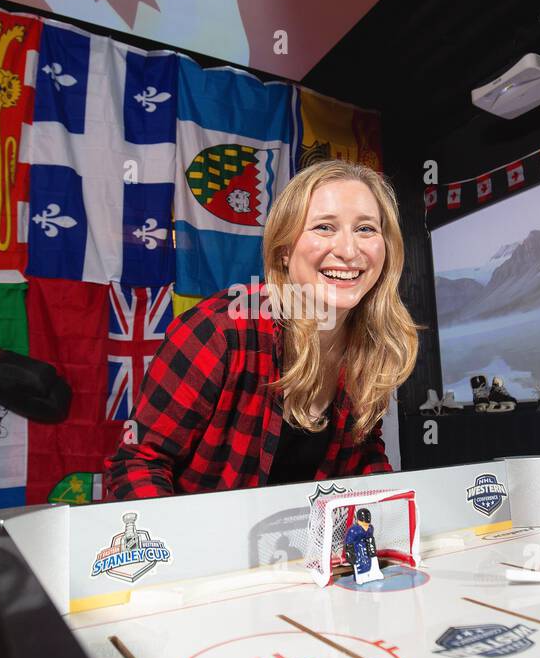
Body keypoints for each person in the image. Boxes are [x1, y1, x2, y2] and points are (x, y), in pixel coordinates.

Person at [103, 160, 419, 500]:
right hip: (200, 544)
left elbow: (365, 462)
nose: (348, 250)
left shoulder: (371, 345)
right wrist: (176, 551)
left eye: (366, 229)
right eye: (324, 227)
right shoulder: (219, 332)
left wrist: (395, 525)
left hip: (302, 549)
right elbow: (137, 462)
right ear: (284, 251)